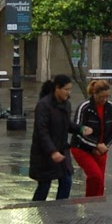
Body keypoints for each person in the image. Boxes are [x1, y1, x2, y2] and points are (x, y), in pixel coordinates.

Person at [29, 74, 74, 202]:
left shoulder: (66, 104)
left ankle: (60, 208)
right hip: (45, 153)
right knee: (44, 185)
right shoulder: (43, 105)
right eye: (66, 89)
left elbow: (66, 125)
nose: (68, 92)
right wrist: (53, 151)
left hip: (62, 149)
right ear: (57, 89)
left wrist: (81, 129)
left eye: (70, 89)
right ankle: (35, 209)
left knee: (67, 180)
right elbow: (41, 130)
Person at [71, 78, 112, 198]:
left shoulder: (111, 108)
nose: (104, 100)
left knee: (100, 181)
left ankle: (98, 204)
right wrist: (96, 145)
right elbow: (77, 130)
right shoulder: (85, 107)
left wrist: (105, 146)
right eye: (102, 97)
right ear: (94, 94)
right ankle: (90, 201)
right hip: (82, 147)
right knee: (94, 175)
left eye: (107, 96)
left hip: (102, 149)